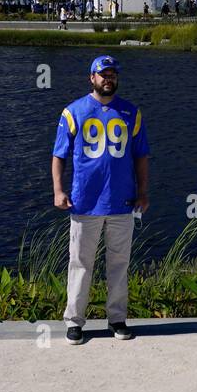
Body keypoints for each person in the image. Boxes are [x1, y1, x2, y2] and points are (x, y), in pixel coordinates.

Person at [51, 55, 151, 346]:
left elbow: (141, 156)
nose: (109, 79)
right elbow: (59, 155)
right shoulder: (74, 112)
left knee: (119, 263)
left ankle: (117, 319)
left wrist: (143, 192)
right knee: (81, 262)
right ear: (91, 78)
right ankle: (74, 321)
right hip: (85, 202)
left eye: (113, 74)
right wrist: (58, 190)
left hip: (122, 201)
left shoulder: (131, 113)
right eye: (103, 74)